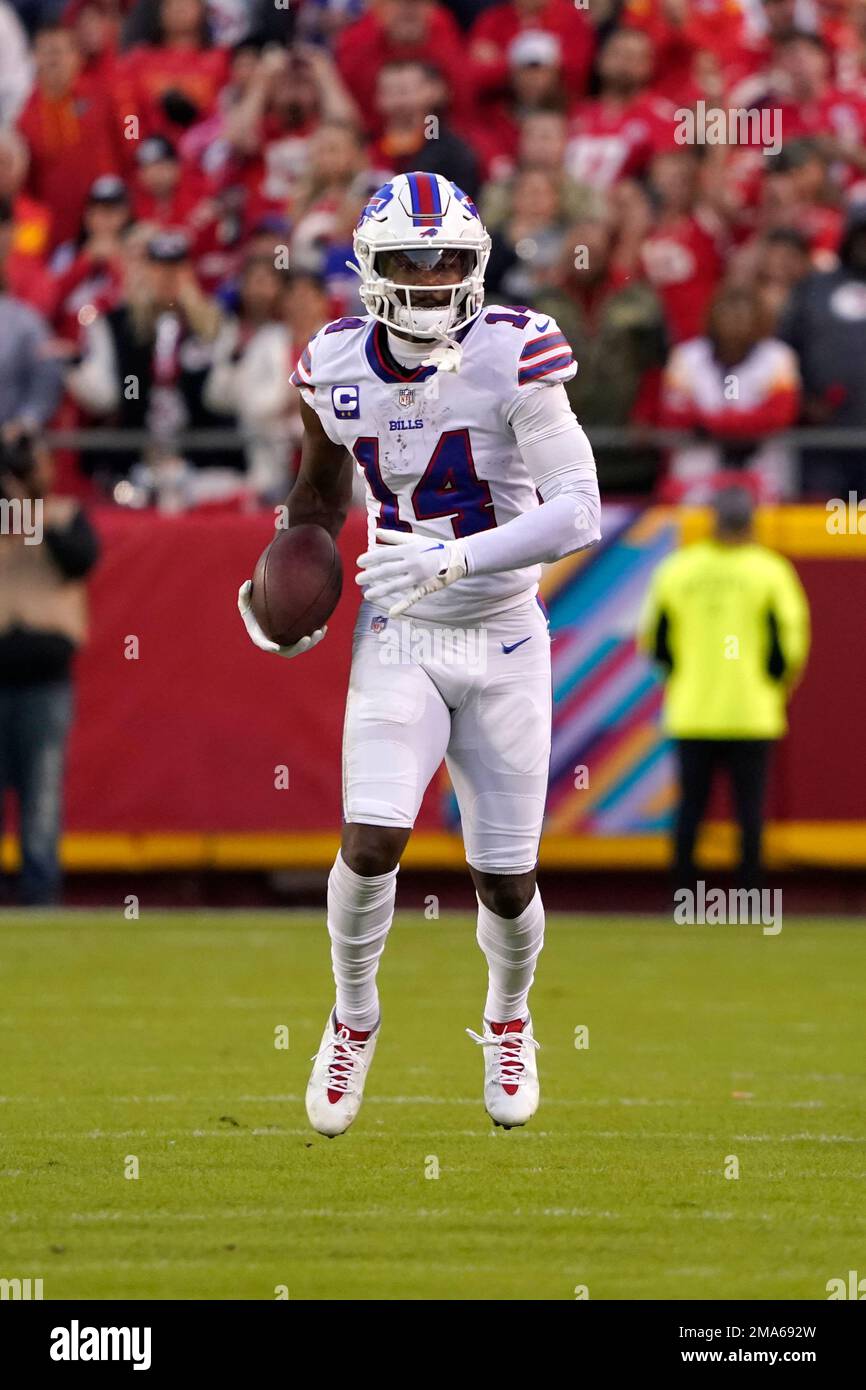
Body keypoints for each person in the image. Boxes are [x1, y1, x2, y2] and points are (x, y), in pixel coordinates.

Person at [237, 172, 601, 1136]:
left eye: (448, 259)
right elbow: (317, 496)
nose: (434, 277)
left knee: (506, 879)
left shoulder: (515, 351)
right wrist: (286, 583)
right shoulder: (333, 365)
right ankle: (354, 1017)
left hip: (506, 628)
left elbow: (579, 508)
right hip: (403, 631)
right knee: (372, 840)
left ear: (477, 265)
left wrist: (452, 559)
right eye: (411, 260)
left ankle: (508, 1015)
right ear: (372, 270)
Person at [638, 484, 810, 892]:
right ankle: (749, 895)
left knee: (690, 810)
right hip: (752, 713)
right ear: (751, 522)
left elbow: (654, 639)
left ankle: (683, 896)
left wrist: (679, 678)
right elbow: (790, 642)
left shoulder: (680, 568)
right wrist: (773, 686)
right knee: (749, 813)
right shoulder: (770, 570)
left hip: (692, 710)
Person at [0, 435, 100, 905]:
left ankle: (40, 895)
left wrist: (24, 504)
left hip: (44, 679)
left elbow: (77, 559)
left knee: (41, 795)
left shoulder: (63, 513)